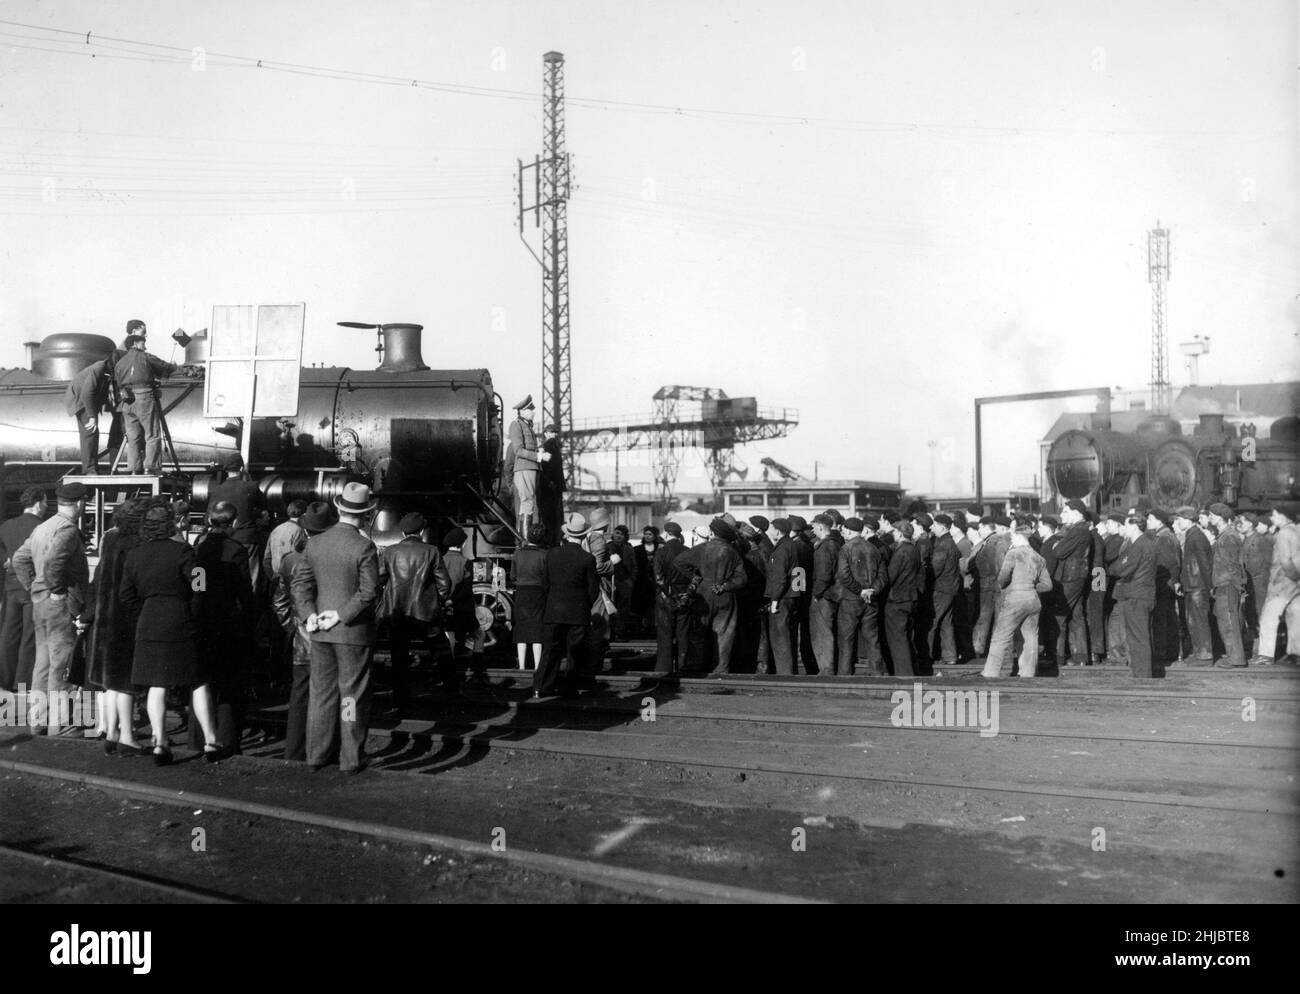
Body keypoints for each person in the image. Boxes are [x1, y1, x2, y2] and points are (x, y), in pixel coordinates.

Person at [120, 503, 224, 763]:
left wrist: (144, 611)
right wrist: (192, 610)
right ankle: (211, 741)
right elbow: (200, 583)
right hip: (181, 622)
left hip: (149, 623)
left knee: (157, 684)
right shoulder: (183, 550)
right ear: (170, 525)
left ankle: (160, 742)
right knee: (198, 681)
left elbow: (126, 594)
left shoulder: (134, 555)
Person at [289, 482, 381, 774]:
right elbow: (369, 592)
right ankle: (351, 758)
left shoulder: (315, 543)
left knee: (321, 694)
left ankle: (316, 755)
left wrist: (310, 615)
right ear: (367, 514)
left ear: (339, 508)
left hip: (319, 632)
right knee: (351, 695)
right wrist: (340, 615)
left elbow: (300, 584)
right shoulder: (364, 546)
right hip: (352, 632)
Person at [12, 481, 90, 733]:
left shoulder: (43, 527)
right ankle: (60, 724)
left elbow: (19, 559)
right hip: (59, 603)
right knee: (61, 663)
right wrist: (55, 591)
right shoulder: (67, 530)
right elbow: (55, 561)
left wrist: (34, 588)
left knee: (42, 663)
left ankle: (37, 721)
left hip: (39, 603)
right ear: (79, 503)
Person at [85, 497, 146, 754]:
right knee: (126, 682)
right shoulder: (137, 545)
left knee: (110, 681)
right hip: (126, 616)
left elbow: (99, 576)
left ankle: (111, 732)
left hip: (105, 616)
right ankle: (128, 737)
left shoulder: (109, 540)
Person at [377, 512, 451, 711]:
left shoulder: (389, 552)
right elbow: (445, 583)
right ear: (422, 531)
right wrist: (440, 600)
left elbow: (380, 580)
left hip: (397, 611)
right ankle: (452, 692)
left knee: (399, 658)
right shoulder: (432, 551)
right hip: (425, 611)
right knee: (441, 650)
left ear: (402, 532)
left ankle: (401, 701)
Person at [275, 502, 332, 761]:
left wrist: (292, 626)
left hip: (302, 639)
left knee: (298, 699)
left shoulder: (290, 561)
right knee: (342, 698)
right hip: (332, 639)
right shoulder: (336, 557)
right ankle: (332, 750)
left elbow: (280, 600)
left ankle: (293, 750)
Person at [536, 512, 599, 698]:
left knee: (550, 651)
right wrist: (583, 605)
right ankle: (569, 689)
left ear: (566, 534)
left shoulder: (552, 554)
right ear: (585, 535)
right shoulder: (588, 559)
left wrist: (552, 601)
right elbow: (593, 590)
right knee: (575, 653)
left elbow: (545, 584)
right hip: (578, 613)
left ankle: (541, 687)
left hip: (553, 611)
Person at [673, 517, 746, 675]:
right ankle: (721, 670)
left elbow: (679, 561)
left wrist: (696, 576)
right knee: (724, 634)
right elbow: (742, 579)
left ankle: (696, 668)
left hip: (703, 594)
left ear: (712, 532)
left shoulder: (702, 548)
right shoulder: (733, 552)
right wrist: (725, 585)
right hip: (724, 595)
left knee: (699, 631)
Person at [981, 523, 1053, 678]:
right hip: (1033, 601)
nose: (1011, 539)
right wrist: (1032, 587)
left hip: (1015, 599)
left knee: (1001, 636)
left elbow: (1003, 578)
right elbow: (1048, 585)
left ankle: (990, 673)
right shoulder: (1039, 558)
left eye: (1013, 536)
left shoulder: (1013, 554)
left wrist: (1009, 584)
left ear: (1019, 537)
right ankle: (1028, 673)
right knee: (1030, 638)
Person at [113, 326, 177, 474]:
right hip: (144, 398)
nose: (145, 345)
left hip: (127, 401)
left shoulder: (119, 363)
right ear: (135, 343)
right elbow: (165, 367)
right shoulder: (145, 357)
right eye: (143, 342)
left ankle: (133, 467)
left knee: (133, 436)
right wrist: (172, 367)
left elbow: (119, 381)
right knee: (152, 434)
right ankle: (152, 466)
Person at [0, 486, 45, 692]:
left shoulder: (7, 525)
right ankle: (23, 682)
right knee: (29, 636)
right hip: (31, 586)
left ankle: (4, 680)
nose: (45, 506)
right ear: (37, 504)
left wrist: (6, 560)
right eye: (45, 502)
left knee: (8, 635)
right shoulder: (41, 528)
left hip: (11, 586)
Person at [1110, 515, 1160, 679]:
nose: (1123, 529)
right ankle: (1141, 673)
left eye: (1125, 525)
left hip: (1135, 596)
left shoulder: (1138, 546)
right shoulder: (1149, 543)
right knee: (1141, 635)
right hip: (1144, 594)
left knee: (1137, 638)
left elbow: (1120, 569)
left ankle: (1142, 676)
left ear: (1133, 526)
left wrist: (1113, 567)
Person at [208, 453, 269, 588]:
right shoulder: (251, 486)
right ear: (241, 469)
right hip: (246, 538)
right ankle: (250, 604)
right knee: (251, 576)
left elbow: (209, 515)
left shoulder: (217, 489)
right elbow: (264, 506)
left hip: (224, 540)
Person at [836, 515, 886, 676]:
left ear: (850, 531)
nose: (842, 533)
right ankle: (877, 673)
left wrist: (859, 590)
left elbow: (844, 575)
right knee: (872, 638)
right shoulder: (874, 548)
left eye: (844, 531)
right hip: (871, 600)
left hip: (850, 600)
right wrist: (872, 590)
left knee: (846, 639)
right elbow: (883, 576)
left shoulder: (846, 549)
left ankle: (845, 675)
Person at [1251, 501, 1300, 665]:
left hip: (1283, 583)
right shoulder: (1297, 529)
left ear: (1283, 515)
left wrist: (1292, 578)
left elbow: (1286, 561)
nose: (1272, 518)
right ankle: (1296, 653)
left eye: (1274, 515)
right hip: (1296, 584)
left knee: (1268, 618)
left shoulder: (1284, 534)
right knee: (1295, 616)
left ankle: (1265, 656)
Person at [64, 347, 123, 474]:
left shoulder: (107, 371)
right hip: (80, 400)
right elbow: (87, 393)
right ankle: (89, 469)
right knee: (90, 432)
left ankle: (93, 467)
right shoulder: (99, 368)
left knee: (94, 433)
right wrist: (92, 416)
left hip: (90, 400)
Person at [441, 526, 486, 688]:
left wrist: (446, 601)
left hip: (446, 606)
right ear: (463, 544)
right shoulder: (465, 562)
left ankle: (448, 675)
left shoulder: (441, 560)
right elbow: (466, 588)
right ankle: (478, 673)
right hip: (463, 608)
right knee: (479, 635)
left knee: (450, 639)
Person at [1050, 500, 1094, 666]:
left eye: (1065, 511)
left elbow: (1059, 551)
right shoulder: (1079, 530)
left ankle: (1057, 656)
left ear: (1076, 513)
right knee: (1076, 616)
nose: (1061, 515)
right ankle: (1081, 656)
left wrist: (1057, 545)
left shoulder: (1078, 531)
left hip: (1070, 578)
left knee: (1059, 615)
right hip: (1076, 577)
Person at [1207, 503, 1248, 670]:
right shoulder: (1224, 535)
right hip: (1225, 584)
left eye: (1211, 515)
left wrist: (1230, 584)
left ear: (1219, 516)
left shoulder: (1228, 537)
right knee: (1226, 621)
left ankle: (1236, 659)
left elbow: (1233, 565)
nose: (1209, 518)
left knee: (1229, 622)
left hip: (1228, 585)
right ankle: (1234, 656)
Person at [1173, 505, 1213, 664]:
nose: (1178, 522)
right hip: (1194, 584)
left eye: (1180, 519)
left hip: (1197, 585)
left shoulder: (1195, 537)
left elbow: (1204, 563)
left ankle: (1205, 656)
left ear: (1188, 520)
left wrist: (1210, 585)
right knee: (1194, 621)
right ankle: (1200, 654)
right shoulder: (1193, 534)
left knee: (1198, 621)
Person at [653, 521, 693, 674]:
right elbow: (695, 576)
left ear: (667, 533)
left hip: (665, 597)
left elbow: (658, 578)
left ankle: (664, 669)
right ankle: (683, 667)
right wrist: (686, 594)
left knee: (665, 635)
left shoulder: (661, 552)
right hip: (685, 596)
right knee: (683, 634)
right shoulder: (688, 551)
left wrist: (668, 594)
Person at [506, 395, 549, 536]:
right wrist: (538, 456)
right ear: (522, 411)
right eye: (530, 409)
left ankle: (524, 538)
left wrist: (538, 452)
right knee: (527, 503)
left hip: (531, 468)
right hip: (525, 468)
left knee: (528, 503)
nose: (533, 412)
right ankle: (525, 540)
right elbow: (518, 450)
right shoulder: (516, 425)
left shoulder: (526, 426)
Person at [884, 521, 923, 677]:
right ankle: (912, 671)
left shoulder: (900, 552)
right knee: (907, 637)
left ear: (900, 534)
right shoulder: (914, 549)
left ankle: (904, 675)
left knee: (898, 639)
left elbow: (890, 576)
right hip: (911, 598)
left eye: (894, 532)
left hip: (897, 600)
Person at [763, 518, 800, 676]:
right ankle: (789, 672)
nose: (769, 531)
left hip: (782, 598)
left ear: (777, 531)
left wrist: (775, 600)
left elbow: (780, 578)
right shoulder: (791, 546)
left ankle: (784, 674)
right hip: (791, 596)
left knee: (780, 637)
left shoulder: (781, 549)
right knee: (788, 636)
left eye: (771, 528)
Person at [510, 523, 548, 671]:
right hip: (538, 592)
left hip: (521, 592)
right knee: (538, 628)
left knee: (521, 627)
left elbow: (513, 576)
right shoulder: (544, 554)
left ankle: (521, 665)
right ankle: (538, 667)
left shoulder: (518, 553)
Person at [582, 506, 616, 673]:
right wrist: (613, 563)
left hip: (592, 588)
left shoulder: (589, 538)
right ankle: (594, 667)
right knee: (600, 627)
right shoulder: (599, 541)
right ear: (606, 525)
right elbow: (598, 567)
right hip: (600, 589)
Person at [809, 514, 841, 674]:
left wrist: (816, 594)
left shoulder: (824, 547)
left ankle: (826, 670)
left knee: (822, 634)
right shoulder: (833, 544)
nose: (812, 529)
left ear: (821, 527)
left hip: (824, 597)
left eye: (814, 526)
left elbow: (824, 575)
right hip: (832, 595)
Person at [927, 514, 961, 666]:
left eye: (934, 525)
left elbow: (936, 568)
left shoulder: (942, 544)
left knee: (932, 622)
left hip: (941, 589)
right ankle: (950, 656)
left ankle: (925, 656)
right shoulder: (951, 542)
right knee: (947, 622)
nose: (931, 527)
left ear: (941, 527)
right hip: (951, 588)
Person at [1242, 512, 1273, 656]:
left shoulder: (1261, 540)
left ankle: (1266, 651)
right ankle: (1257, 647)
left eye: (1242, 522)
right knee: (1251, 615)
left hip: (1260, 583)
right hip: (1249, 584)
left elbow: (1270, 561)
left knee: (1262, 614)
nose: (1239, 524)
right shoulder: (1245, 539)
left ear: (1250, 523)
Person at [537, 423, 566, 545]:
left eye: (555, 433)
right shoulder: (546, 448)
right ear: (545, 434)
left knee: (552, 516)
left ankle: (552, 541)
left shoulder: (550, 447)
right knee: (552, 516)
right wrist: (550, 483)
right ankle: (552, 541)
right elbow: (542, 469)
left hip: (551, 487)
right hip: (549, 487)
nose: (554, 435)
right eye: (551, 432)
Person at [609, 524, 638, 641]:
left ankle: (620, 633)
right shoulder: (607, 547)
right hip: (611, 581)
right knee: (610, 607)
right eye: (617, 533)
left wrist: (631, 580)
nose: (618, 536)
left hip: (625, 582)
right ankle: (610, 633)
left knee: (623, 609)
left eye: (621, 534)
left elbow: (634, 566)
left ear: (626, 536)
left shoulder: (629, 548)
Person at [632, 525, 661, 637]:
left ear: (654, 536)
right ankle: (643, 627)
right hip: (642, 581)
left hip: (655, 581)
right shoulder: (637, 549)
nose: (647, 536)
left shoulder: (660, 548)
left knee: (654, 604)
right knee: (642, 604)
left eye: (650, 534)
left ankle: (653, 627)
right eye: (646, 534)